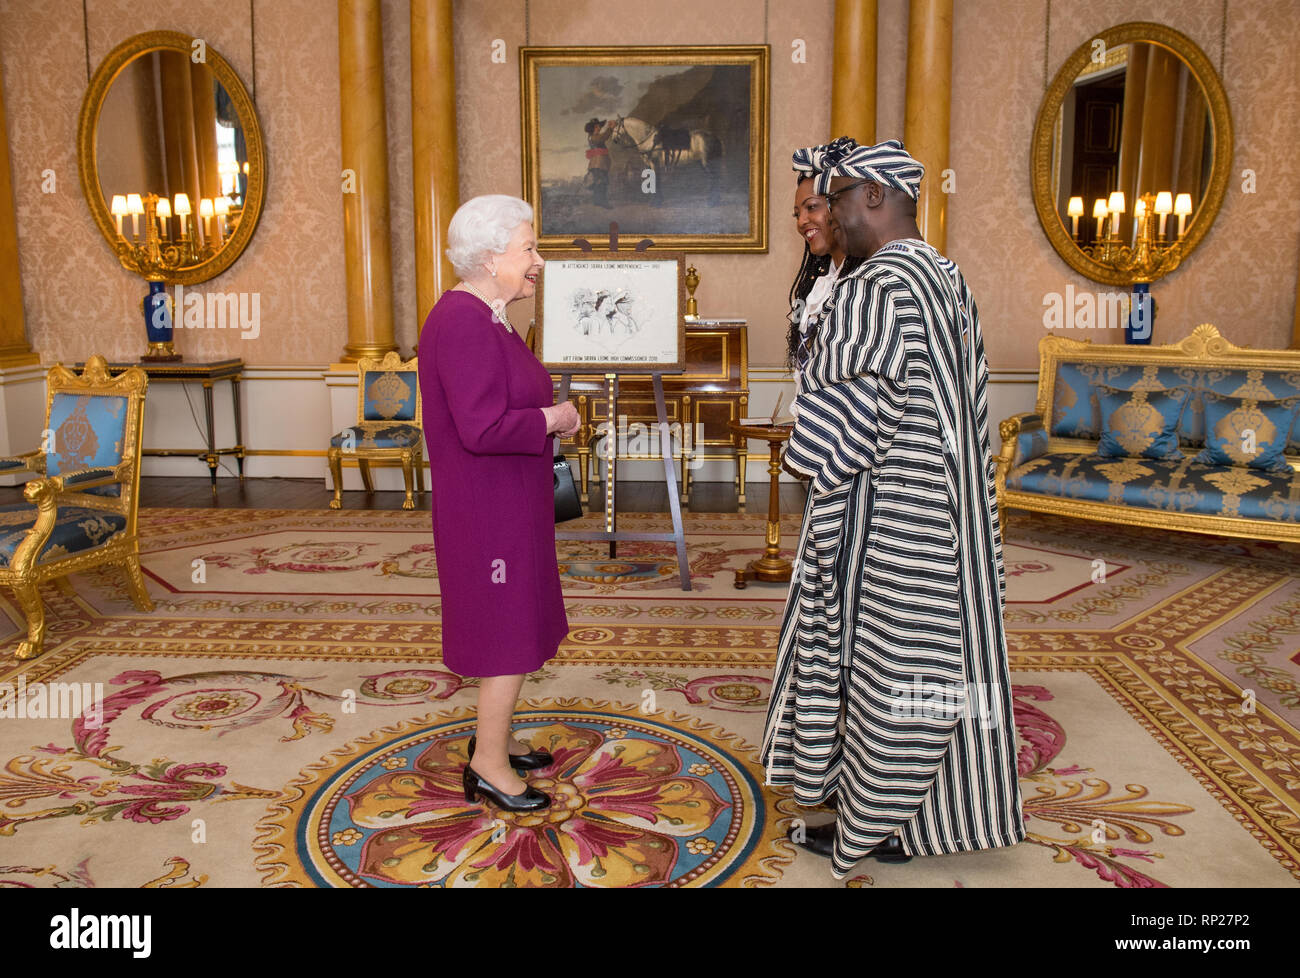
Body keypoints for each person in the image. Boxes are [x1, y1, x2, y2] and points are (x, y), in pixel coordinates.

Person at [761, 138, 1025, 877]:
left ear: (874, 196)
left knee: (888, 666)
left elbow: (839, 433)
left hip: (889, 516)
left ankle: (874, 825)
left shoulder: (874, 286)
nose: (827, 214)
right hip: (954, 508)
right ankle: (929, 819)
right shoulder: (945, 274)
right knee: (947, 663)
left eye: (835, 198)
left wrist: (802, 450)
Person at [418, 194, 581, 813]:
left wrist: (545, 418)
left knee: (516, 616)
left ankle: (496, 737)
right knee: (507, 627)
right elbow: (480, 427)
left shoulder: (486, 315)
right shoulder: (462, 320)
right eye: (528, 249)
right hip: (488, 510)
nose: (537, 261)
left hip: (506, 499)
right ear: (490, 259)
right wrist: (551, 416)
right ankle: (487, 764)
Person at [786, 149, 864, 412]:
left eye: (811, 207)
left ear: (839, 206)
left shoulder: (864, 285)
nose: (802, 221)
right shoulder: (819, 285)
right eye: (797, 213)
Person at [584, 118, 615, 209]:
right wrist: (611, 128)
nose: (599, 128)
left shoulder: (592, 136)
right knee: (602, 182)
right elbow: (603, 137)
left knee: (598, 182)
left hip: (597, 163)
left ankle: (597, 201)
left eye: (599, 126)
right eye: (597, 126)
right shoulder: (594, 137)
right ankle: (603, 202)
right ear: (593, 128)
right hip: (599, 163)